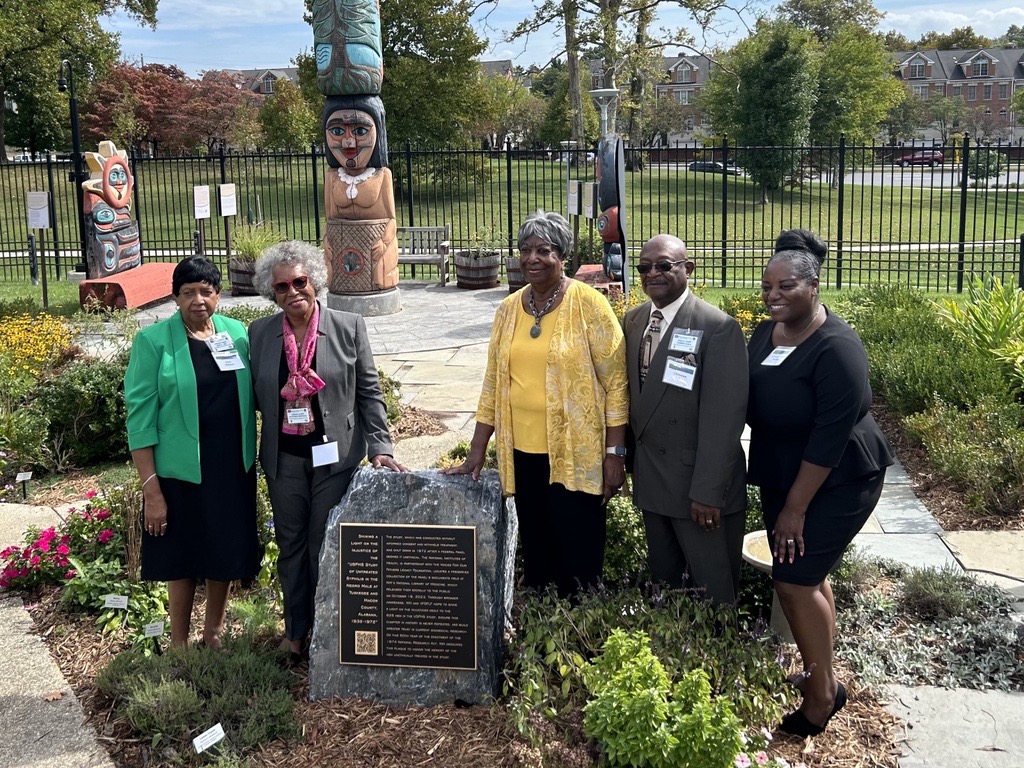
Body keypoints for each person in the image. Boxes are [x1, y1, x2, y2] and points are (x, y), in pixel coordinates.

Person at [746, 229, 894, 736]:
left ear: (814, 285)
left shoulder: (837, 349)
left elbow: (830, 440)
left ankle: (820, 699)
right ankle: (826, 678)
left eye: (785, 287)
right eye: (767, 287)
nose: (772, 296)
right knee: (808, 576)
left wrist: (795, 509)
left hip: (835, 481)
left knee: (793, 580)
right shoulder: (765, 333)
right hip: (781, 475)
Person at [445, 210, 628, 598]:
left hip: (576, 453)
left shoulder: (590, 305)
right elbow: (494, 382)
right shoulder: (508, 309)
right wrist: (477, 450)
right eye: (525, 250)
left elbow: (616, 384)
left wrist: (615, 453)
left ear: (563, 256)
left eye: (544, 250)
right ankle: (543, 630)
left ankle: (581, 632)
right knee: (538, 551)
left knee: (577, 553)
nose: (532, 259)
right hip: (523, 451)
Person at [248, 240, 405, 663]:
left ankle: (328, 631)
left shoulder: (348, 326)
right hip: (285, 459)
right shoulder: (260, 334)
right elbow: (250, 399)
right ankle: (296, 631)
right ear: (272, 293)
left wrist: (381, 446)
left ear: (314, 280)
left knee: (325, 543)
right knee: (291, 544)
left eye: (300, 281)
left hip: (335, 457)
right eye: (282, 287)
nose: (293, 292)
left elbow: (370, 392)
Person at [124, 256, 260, 648]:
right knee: (180, 557)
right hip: (178, 472)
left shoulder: (237, 334)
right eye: (188, 293)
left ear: (219, 294)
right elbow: (141, 421)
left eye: (206, 291)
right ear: (175, 298)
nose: (198, 300)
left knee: (224, 551)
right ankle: (179, 644)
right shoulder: (153, 342)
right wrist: (151, 491)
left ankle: (213, 634)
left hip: (231, 467)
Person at [623, 234, 748, 604]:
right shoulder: (633, 321)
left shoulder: (717, 327)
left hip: (698, 492)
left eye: (664, 265)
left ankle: (720, 659)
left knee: (712, 593)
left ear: (688, 269)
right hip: (653, 482)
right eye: (644, 267)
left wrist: (708, 493)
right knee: (666, 589)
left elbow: (724, 420)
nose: (652, 273)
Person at [321, 94, 398, 293]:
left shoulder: (382, 175)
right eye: (337, 131)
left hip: (375, 246)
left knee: (381, 275)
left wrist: (384, 241)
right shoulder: (332, 176)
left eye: (360, 131)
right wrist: (326, 240)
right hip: (342, 247)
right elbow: (329, 218)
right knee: (336, 275)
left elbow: (391, 219)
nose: (348, 142)